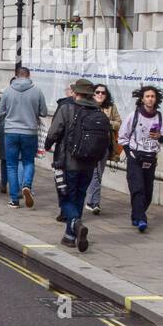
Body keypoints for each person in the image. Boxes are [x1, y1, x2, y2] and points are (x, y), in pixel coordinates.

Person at [43, 79, 112, 253]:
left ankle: (75, 223)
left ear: (76, 93)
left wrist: (48, 143)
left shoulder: (67, 108)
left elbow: (54, 131)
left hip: (68, 161)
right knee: (80, 197)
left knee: (65, 197)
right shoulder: (99, 111)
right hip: (89, 163)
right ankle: (70, 236)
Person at [116, 84, 163, 232]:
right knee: (137, 188)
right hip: (135, 157)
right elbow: (122, 137)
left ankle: (136, 214)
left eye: (152, 96)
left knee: (148, 192)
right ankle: (141, 219)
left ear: (156, 99)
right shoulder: (133, 116)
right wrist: (130, 154)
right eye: (147, 96)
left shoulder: (161, 117)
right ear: (142, 99)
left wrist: (160, 137)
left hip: (151, 158)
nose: (150, 99)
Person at [0, 65, 49, 208]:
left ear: (16, 76)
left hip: (11, 132)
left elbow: (1, 112)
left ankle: (14, 199)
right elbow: (44, 112)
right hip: (29, 132)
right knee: (28, 162)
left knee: (11, 165)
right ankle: (26, 185)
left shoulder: (7, 91)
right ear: (29, 76)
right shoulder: (37, 91)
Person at [84, 84, 122, 215]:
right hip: (89, 145)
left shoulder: (110, 107)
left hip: (104, 145)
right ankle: (93, 202)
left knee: (98, 173)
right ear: (92, 94)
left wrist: (108, 122)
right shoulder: (87, 106)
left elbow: (118, 123)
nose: (100, 94)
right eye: (97, 92)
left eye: (103, 93)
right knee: (94, 173)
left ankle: (92, 201)